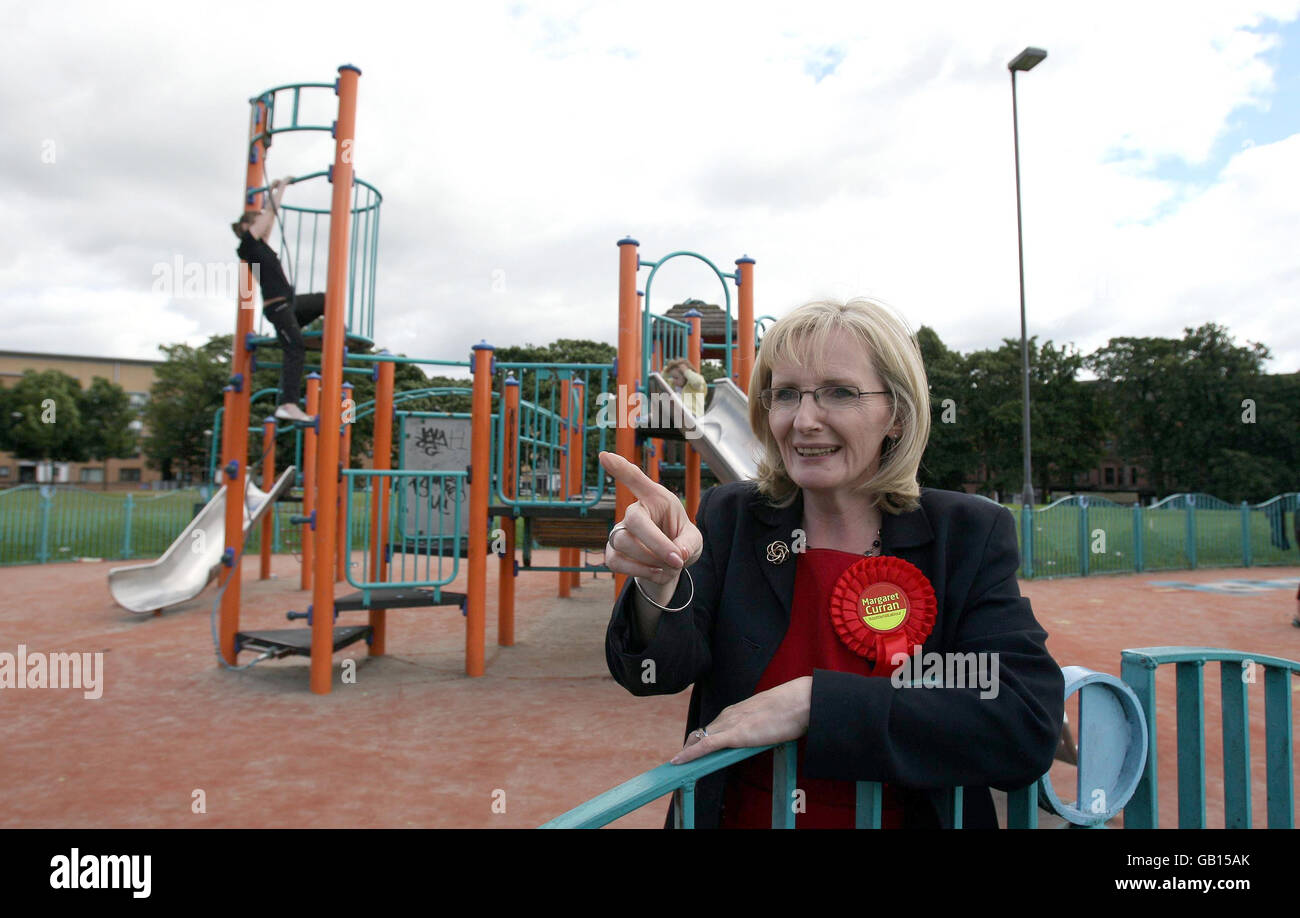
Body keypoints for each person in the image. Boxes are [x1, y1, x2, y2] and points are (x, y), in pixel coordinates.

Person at [601, 298, 1064, 828]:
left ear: (896, 414)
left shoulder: (965, 534)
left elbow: (1023, 722)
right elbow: (652, 675)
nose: (803, 420)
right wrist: (658, 584)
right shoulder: (734, 515)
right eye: (787, 394)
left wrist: (814, 704)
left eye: (839, 393)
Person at [232, 176, 323, 423]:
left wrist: (276, 192)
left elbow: (270, 217)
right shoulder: (247, 246)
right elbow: (267, 215)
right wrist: (279, 188)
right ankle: (288, 404)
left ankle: (335, 331)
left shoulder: (261, 245)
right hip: (278, 308)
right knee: (295, 349)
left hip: (290, 306)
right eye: (257, 221)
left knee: (325, 299)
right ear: (245, 228)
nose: (264, 224)